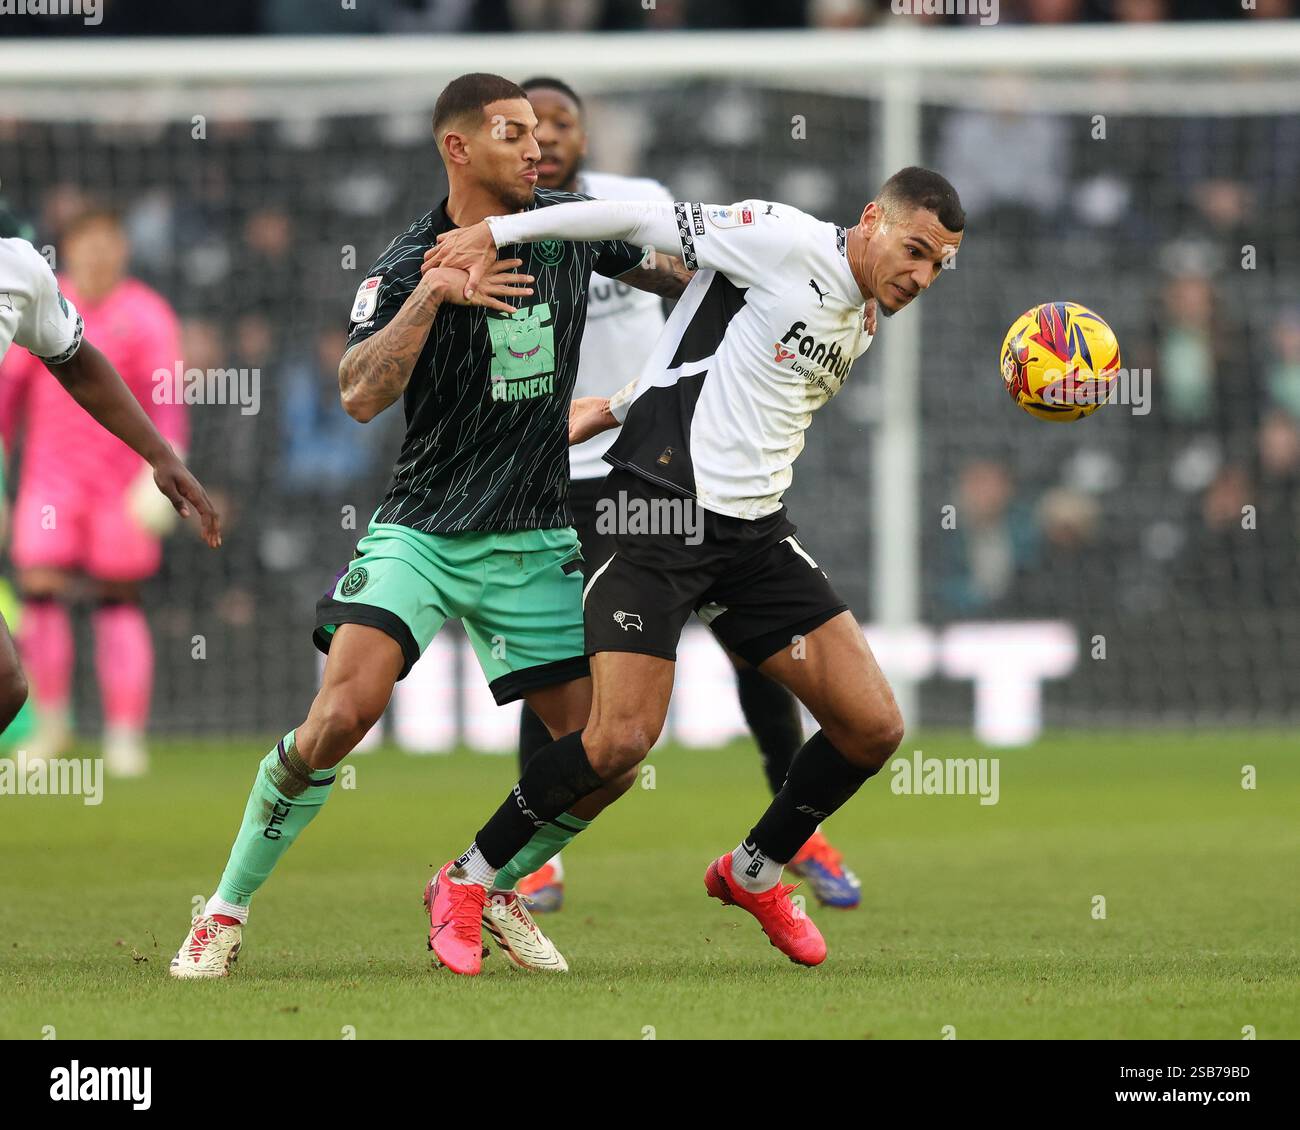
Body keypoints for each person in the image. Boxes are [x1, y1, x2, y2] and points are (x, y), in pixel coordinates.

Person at [169, 72, 687, 980]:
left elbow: (681, 273)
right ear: (458, 147)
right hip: (426, 531)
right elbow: (360, 394)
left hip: (534, 534)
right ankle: (223, 910)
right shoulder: (408, 262)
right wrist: (432, 298)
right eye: (512, 133)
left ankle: (485, 884)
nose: (538, 148)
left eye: (539, 132)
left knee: (610, 755)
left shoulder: (568, 230)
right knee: (339, 717)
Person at [424, 166, 963, 973]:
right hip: (655, 514)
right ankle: (465, 880)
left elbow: (712, 360)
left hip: (753, 542)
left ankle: (754, 870)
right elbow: (638, 220)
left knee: (873, 726)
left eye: (938, 266)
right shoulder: (778, 237)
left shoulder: (863, 317)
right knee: (618, 742)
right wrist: (495, 234)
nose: (921, 276)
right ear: (872, 219)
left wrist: (617, 399)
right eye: (915, 250)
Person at [513, 75, 862, 913]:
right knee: (563, 663)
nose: (548, 137)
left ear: (586, 136)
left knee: (756, 648)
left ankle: (795, 824)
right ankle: (533, 858)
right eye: (530, 125)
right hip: (557, 472)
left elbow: (697, 281)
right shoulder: (484, 239)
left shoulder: (632, 202)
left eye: (563, 121)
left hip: (653, 462)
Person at [0, 217, 221, 758]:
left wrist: (165, 456)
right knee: (41, 590)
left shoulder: (136, 310)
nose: (97, 256)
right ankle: (51, 730)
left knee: (115, 600)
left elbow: (136, 385)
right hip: (49, 480)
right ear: (71, 248)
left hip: (118, 484)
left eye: (107, 244)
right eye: (87, 245)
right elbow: (10, 396)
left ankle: (125, 734)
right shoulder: (49, 282)